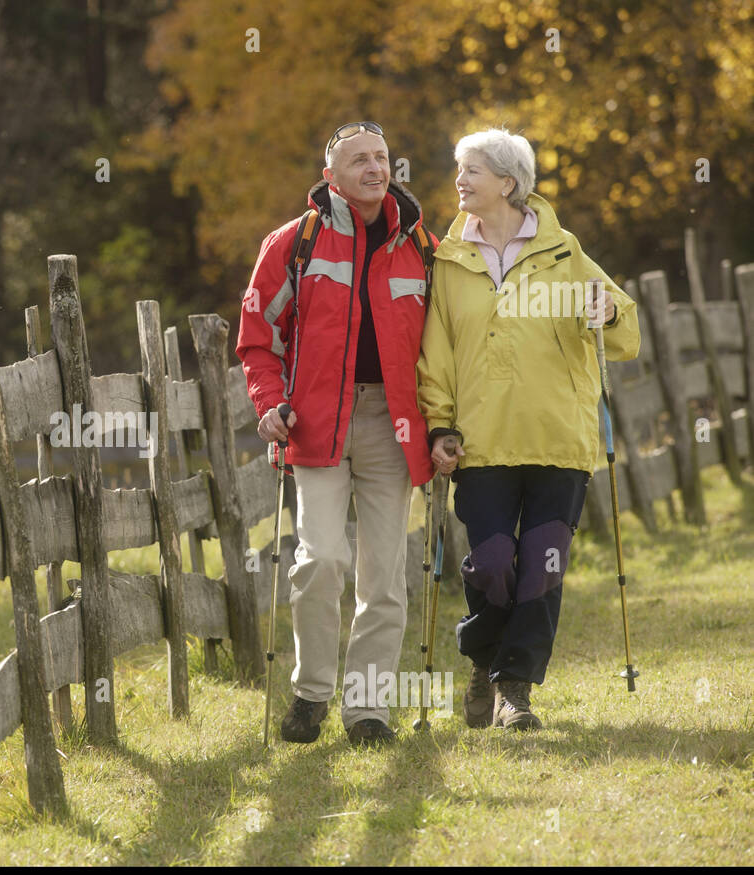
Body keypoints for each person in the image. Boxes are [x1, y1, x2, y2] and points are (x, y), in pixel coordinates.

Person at [417, 127, 640, 731]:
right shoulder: (447, 259)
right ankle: (484, 661)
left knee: (542, 567)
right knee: (491, 563)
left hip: (557, 438)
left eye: (473, 171)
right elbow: (435, 352)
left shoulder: (564, 252)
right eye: (458, 170)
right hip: (481, 440)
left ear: (509, 184)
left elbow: (623, 332)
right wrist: (439, 425)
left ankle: (514, 691)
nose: (460, 181)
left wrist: (608, 310)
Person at [237, 122, 435, 747]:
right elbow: (257, 339)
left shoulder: (421, 244)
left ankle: (368, 708)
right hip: (317, 423)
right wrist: (270, 404)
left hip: (394, 425)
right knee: (319, 559)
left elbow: (446, 343)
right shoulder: (294, 243)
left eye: (381, 157)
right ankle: (311, 693)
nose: (375, 168)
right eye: (359, 160)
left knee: (384, 573)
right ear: (331, 175)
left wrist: (445, 423)